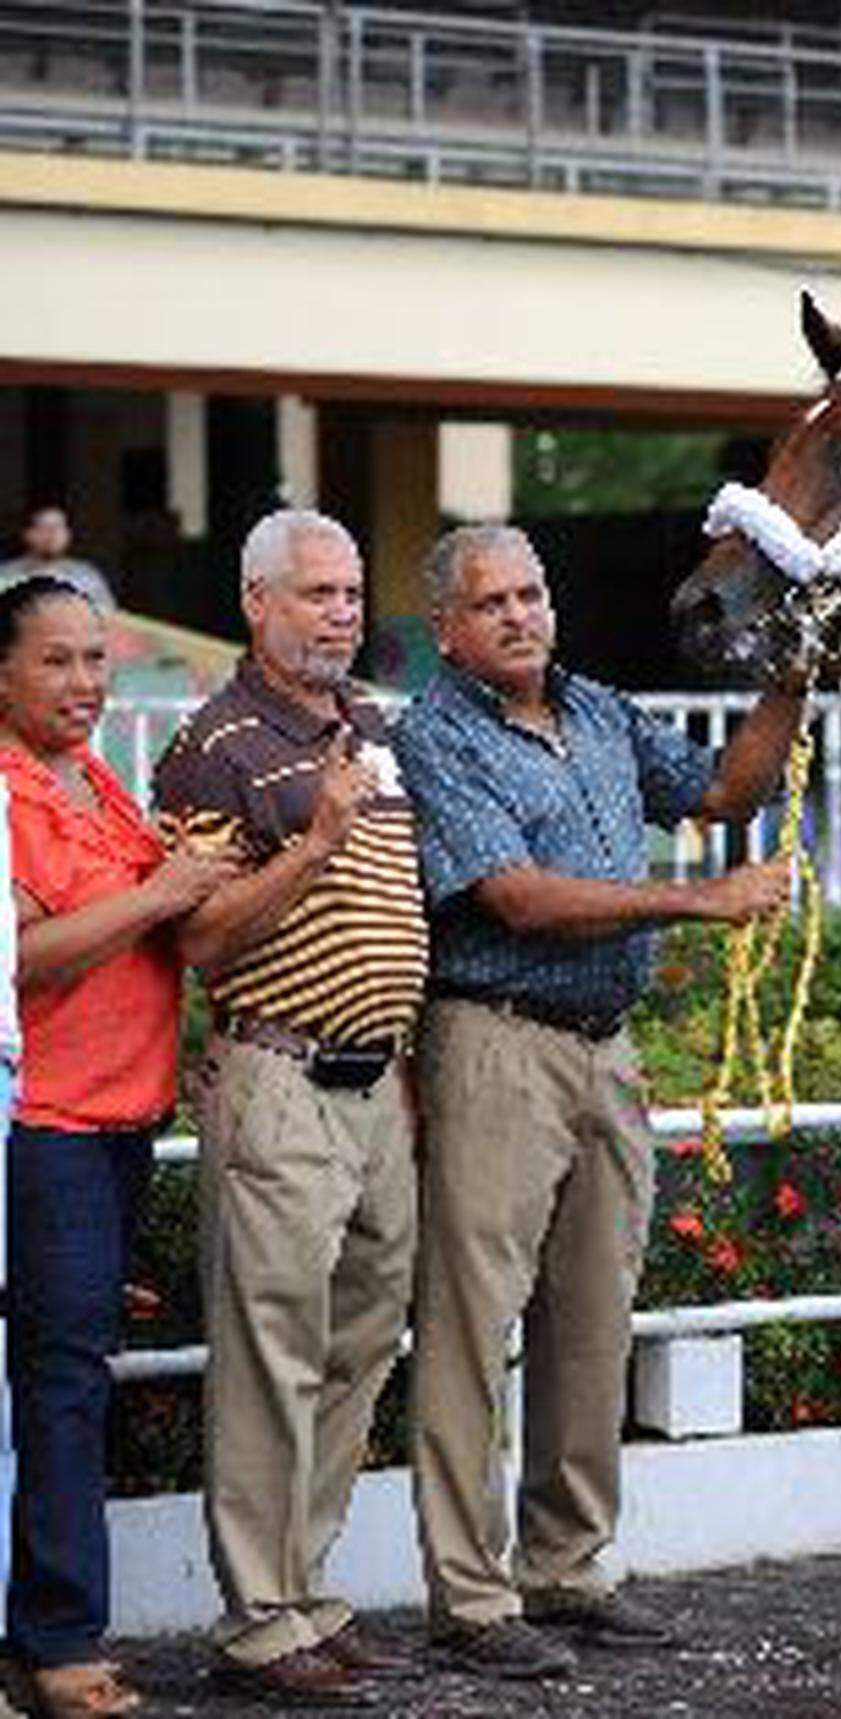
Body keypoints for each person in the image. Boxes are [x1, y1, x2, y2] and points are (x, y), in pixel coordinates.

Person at [393, 524, 803, 1680]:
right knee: (472, 1327)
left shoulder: (603, 712)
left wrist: (793, 679)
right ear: (448, 631)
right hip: (494, 1040)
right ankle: (471, 1601)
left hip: (603, 1050)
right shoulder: (435, 735)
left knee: (591, 1318)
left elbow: (724, 790)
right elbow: (516, 899)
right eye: (492, 603)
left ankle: (567, 1570)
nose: (520, 615)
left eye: (531, 594)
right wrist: (700, 903)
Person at [151, 508, 431, 1704]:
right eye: (317, 593)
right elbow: (198, 939)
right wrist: (312, 844)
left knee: (358, 1347)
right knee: (271, 1357)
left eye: (353, 592)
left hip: (376, 1090)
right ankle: (259, 1622)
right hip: (278, 1077)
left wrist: (406, 1069)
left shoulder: (371, 726)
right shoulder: (214, 745)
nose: (342, 612)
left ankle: (306, 1591)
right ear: (256, 602)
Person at [2, 577, 235, 1719]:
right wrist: (164, 894)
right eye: (56, 660)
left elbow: (157, 928)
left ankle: (46, 1627)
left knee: (74, 1373)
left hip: (121, 1122)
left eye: (96, 659)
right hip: (45, 1124)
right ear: (1, 674)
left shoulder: (93, 781)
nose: (86, 682)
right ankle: (55, 1641)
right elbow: (22, 959)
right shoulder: (6, 792)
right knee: (60, 1380)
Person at [0, 511, 113, 613]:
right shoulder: (6, 575)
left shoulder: (86, 576)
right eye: (44, 528)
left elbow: (107, 615)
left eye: (59, 527)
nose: (52, 534)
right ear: (28, 534)